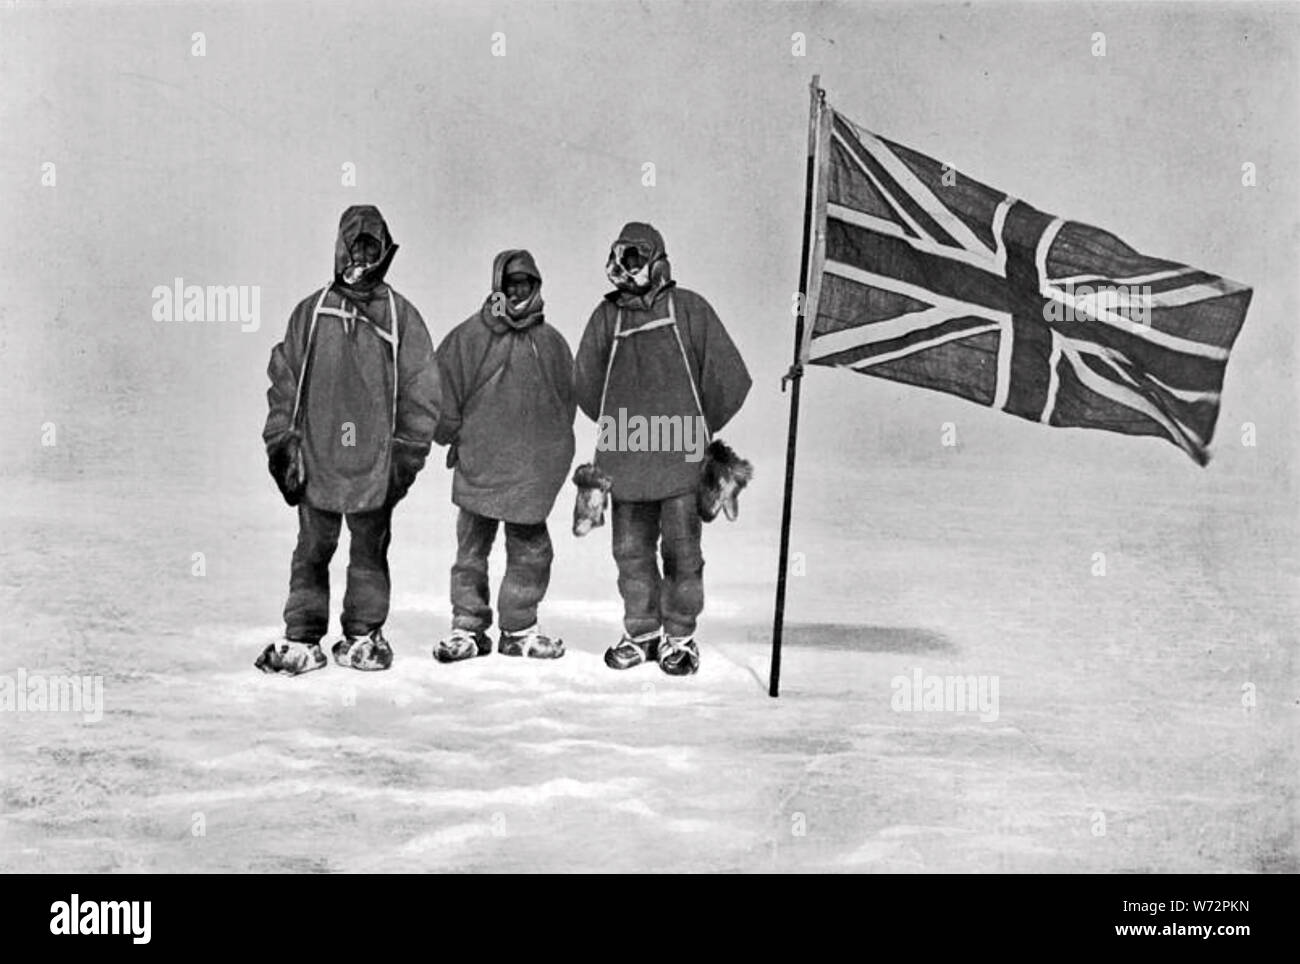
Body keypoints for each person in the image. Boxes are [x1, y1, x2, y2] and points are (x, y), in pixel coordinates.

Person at [256, 205, 440, 676]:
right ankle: (302, 636)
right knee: (312, 551)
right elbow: (286, 380)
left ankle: (363, 635)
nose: (361, 257)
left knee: (368, 552)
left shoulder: (402, 318)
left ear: (383, 252)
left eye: (370, 248)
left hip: (375, 466)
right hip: (317, 459)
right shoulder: (312, 312)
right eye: (354, 246)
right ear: (340, 248)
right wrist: (282, 442)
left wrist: (404, 457)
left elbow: (422, 393)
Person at [573, 223, 751, 675]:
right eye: (623, 256)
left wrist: (692, 428)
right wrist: (625, 426)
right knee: (630, 552)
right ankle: (641, 633)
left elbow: (729, 377)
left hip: (679, 465)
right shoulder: (606, 316)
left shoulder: (689, 309)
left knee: (682, 553)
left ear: (657, 260)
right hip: (625, 462)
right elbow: (585, 383)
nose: (629, 266)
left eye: (638, 256)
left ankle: (680, 637)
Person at [432, 249, 576, 661]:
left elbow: (566, 400)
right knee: (471, 551)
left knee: (531, 551)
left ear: (536, 286)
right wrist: (454, 436)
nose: (517, 291)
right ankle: (467, 627)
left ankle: (519, 627)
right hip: (479, 465)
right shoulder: (470, 336)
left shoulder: (550, 343)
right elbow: (443, 389)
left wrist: (550, 453)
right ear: (498, 286)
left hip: (529, 473)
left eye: (525, 284)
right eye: (511, 284)